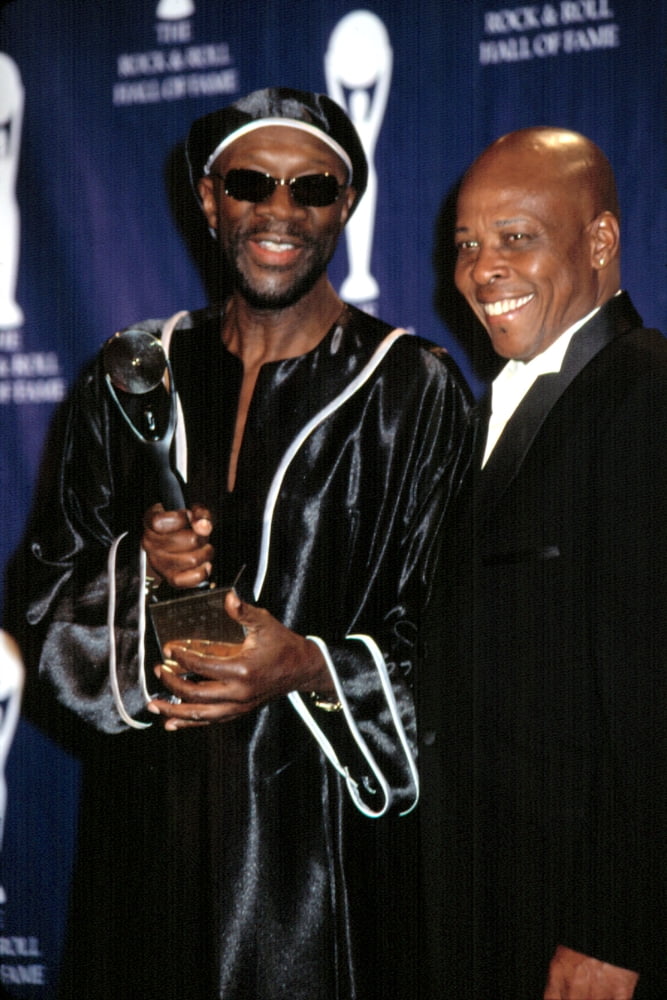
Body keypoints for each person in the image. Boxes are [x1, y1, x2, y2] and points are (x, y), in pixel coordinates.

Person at [15, 88, 472, 999]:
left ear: (345, 206)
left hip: (318, 866)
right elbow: (43, 597)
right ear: (207, 195)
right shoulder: (130, 372)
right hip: (147, 843)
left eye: (312, 189)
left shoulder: (411, 393)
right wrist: (135, 568)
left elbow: (466, 650)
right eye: (252, 182)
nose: (280, 212)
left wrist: (306, 664)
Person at [419, 126, 667, 999]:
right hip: (482, 908)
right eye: (466, 245)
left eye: (516, 238)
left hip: (582, 929)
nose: (482, 269)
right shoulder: (499, 405)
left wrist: (618, 926)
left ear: (598, 242)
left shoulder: (644, 399)